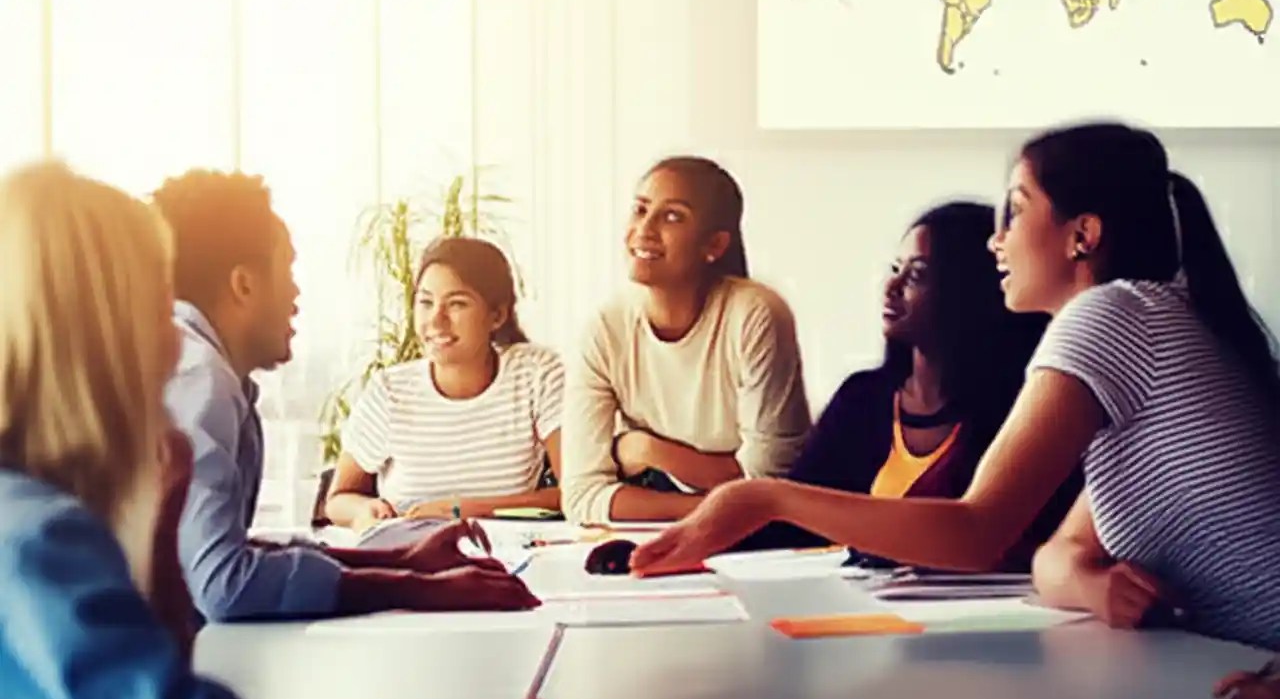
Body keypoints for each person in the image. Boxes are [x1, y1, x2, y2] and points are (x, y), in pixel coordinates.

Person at [631, 123, 1280, 653]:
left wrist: (763, 498)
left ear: (1082, 235)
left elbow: (976, 533)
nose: (997, 241)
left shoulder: (1107, 318)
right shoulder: (1156, 314)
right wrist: (1088, 584)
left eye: (1016, 212)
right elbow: (1062, 553)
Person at [156, 169, 539, 623]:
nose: (296, 295)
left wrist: (403, 561)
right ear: (244, 284)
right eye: (287, 270)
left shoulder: (191, 364)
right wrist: (416, 589)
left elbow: (214, 556)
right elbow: (224, 583)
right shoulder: (198, 377)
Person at [0, 161, 245, 699]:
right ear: (109, 334)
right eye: (162, 309)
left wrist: (160, 537)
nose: (178, 346)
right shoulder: (39, 544)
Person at [771, 201, 1078, 569]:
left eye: (916, 275)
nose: (891, 286)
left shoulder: (1026, 409)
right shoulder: (862, 399)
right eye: (895, 269)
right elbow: (791, 528)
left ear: (969, 291)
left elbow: (1023, 541)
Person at [560, 156, 811, 523]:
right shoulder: (604, 330)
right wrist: (720, 504)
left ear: (714, 244)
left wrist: (649, 450)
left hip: (768, 546)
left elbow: (769, 485)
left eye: (672, 216)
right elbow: (581, 498)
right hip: (676, 529)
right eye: (640, 209)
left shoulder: (755, 314)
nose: (644, 229)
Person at [326, 237, 564, 531]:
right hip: (408, 560)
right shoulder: (390, 390)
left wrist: (464, 510)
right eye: (425, 302)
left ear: (497, 315)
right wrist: (365, 509)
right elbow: (338, 500)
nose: (435, 321)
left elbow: (575, 493)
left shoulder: (535, 374)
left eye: (457, 304)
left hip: (504, 561)